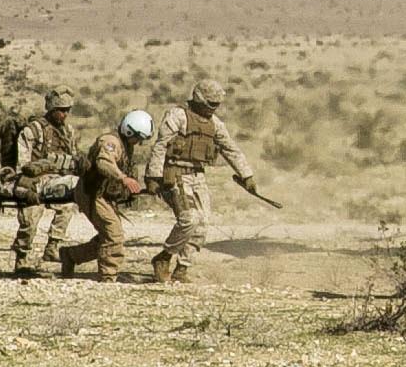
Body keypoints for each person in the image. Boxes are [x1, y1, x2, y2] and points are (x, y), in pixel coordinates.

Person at [148, 81, 261, 285]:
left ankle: (182, 268)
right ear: (200, 99)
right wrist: (153, 177)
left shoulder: (215, 124)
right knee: (189, 219)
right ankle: (163, 258)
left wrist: (247, 176)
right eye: (211, 103)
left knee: (203, 224)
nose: (214, 108)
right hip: (176, 174)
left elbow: (230, 149)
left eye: (217, 104)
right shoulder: (177, 116)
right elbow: (161, 146)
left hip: (198, 176)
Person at [60, 108, 154, 282]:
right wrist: (123, 178)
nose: (138, 143)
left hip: (103, 195)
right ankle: (108, 277)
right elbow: (103, 163)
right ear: (128, 131)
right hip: (93, 193)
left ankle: (71, 256)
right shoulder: (110, 142)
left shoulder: (125, 146)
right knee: (113, 235)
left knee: (108, 235)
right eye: (138, 138)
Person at [5, 91, 84, 279]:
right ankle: (22, 259)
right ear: (52, 109)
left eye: (67, 110)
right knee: (30, 218)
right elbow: (22, 164)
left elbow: (73, 157)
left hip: (57, 180)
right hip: (34, 181)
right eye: (61, 110)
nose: (65, 114)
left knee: (67, 207)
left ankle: (52, 247)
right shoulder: (32, 131)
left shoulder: (68, 132)